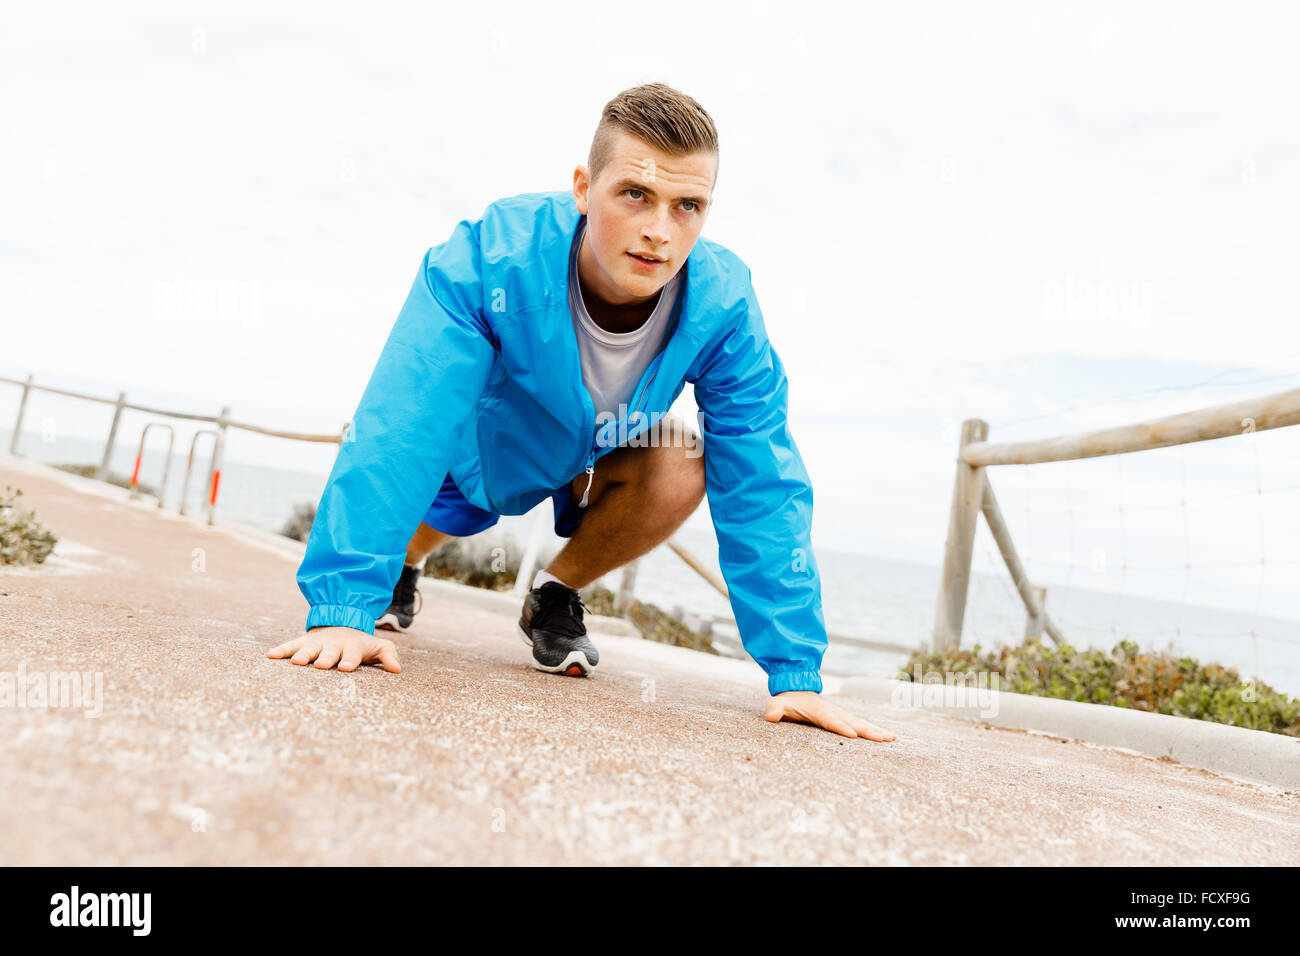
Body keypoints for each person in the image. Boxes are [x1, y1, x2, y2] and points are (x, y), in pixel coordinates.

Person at [269, 82, 894, 742]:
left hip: (592, 453)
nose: (660, 229)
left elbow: (761, 476)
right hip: (475, 445)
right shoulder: (489, 258)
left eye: (688, 205)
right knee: (440, 510)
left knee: (683, 461)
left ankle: (554, 595)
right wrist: (343, 609)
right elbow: (404, 422)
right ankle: (402, 565)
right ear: (582, 188)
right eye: (635, 195)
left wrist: (796, 673)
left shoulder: (724, 305)